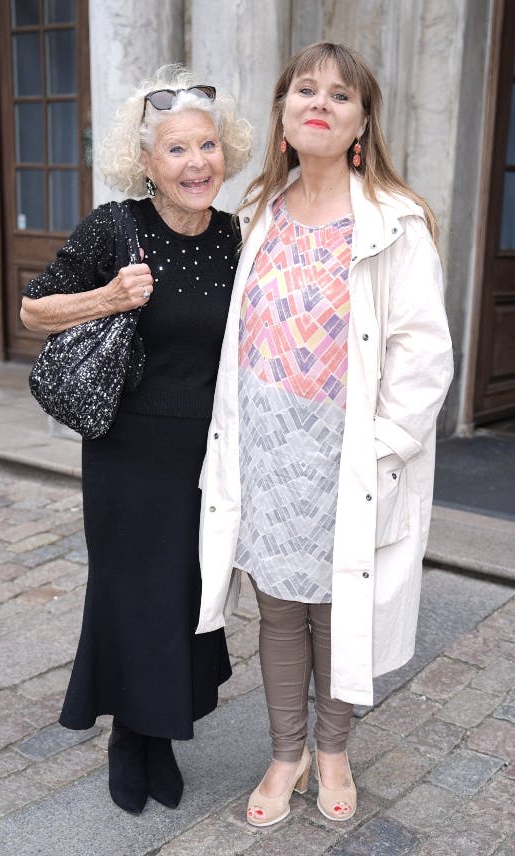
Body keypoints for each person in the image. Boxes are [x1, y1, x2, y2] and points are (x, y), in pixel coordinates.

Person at [196, 42, 453, 827]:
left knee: (343, 609)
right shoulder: (252, 218)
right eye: (305, 89)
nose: (320, 102)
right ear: (281, 116)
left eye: (340, 95)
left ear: (361, 124)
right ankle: (286, 752)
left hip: (351, 456)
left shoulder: (395, 225)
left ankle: (333, 749)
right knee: (279, 609)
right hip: (268, 453)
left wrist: (380, 447)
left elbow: (423, 355)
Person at [20, 66, 251, 815]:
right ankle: (130, 735)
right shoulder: (115, 226)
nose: (196, 163)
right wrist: (110, 296)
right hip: (127, 445)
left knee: (187, 589)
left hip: (208, 448)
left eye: (207, 146)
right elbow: (33, 312)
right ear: (147, 161)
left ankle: (161, 729)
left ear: (226, 152)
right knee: (129, 589)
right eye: (177, 149)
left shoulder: (235, 237)